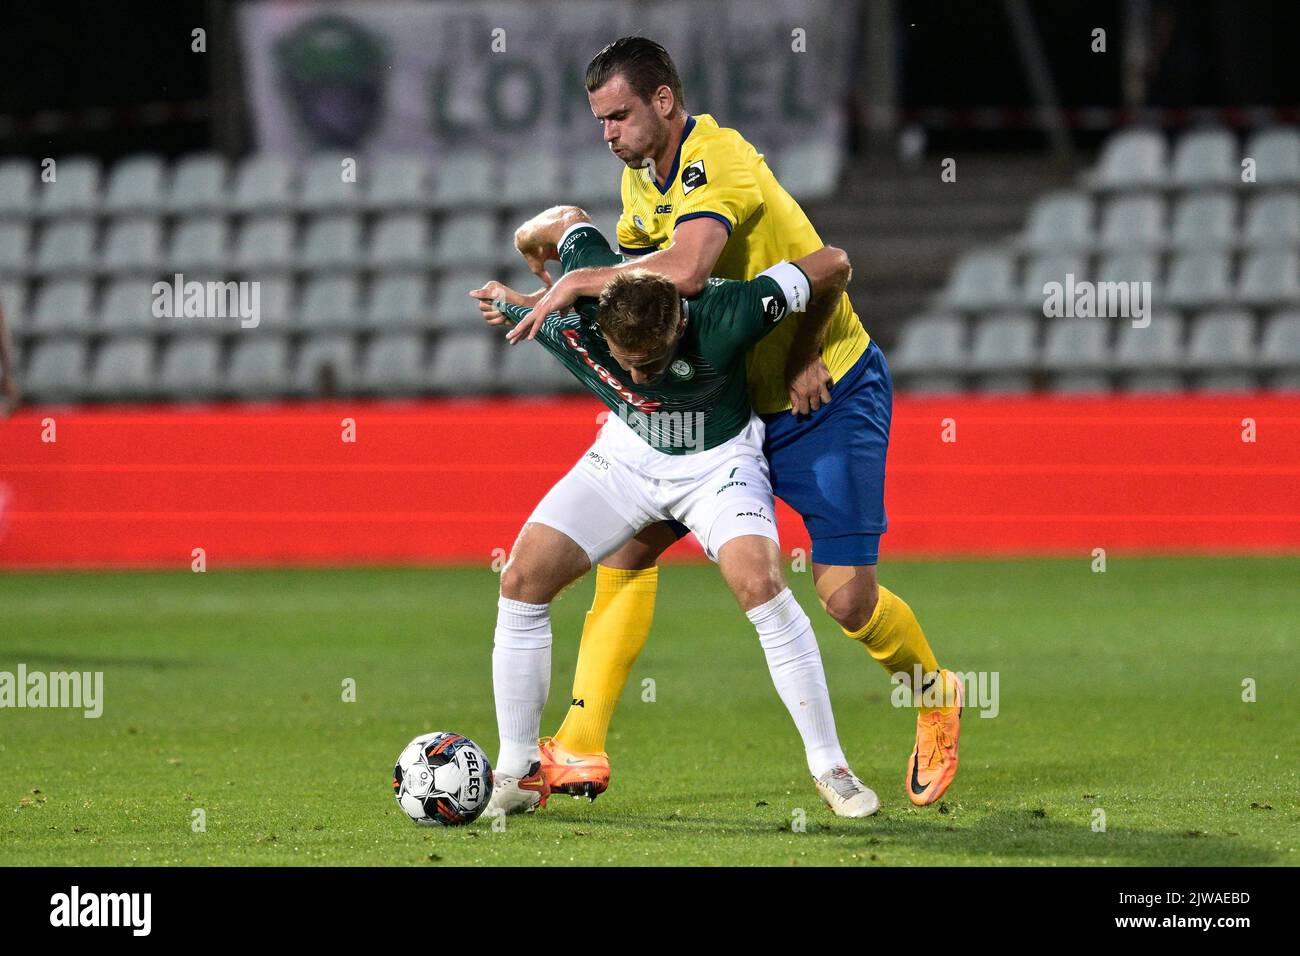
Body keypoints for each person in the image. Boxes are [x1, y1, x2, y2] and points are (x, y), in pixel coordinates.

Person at [505, 37, 962, 807]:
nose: (608, 133)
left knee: (846, 598)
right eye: (600, 121)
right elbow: (656, 305)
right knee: (625, 548)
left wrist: (801, 353)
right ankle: (579, 746)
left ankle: (935, 691)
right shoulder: (641, 182)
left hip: (824, 391)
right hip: (734, 408)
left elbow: (687, 272)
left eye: (620, 115)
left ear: (663, 100)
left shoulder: (717, 159)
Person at [470, 205, 877, 818]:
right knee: (522, 579)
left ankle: (831, 766)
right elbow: (567, 222)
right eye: (626, 363)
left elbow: (833, 264)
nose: (639, 375)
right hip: (626, 459)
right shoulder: (585, 295)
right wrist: (528, 239)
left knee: (762, 585)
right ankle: (519, 768)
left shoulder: (730, 311)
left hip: (719, 466)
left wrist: (803, 352)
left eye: (652, 364)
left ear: (679, 320)